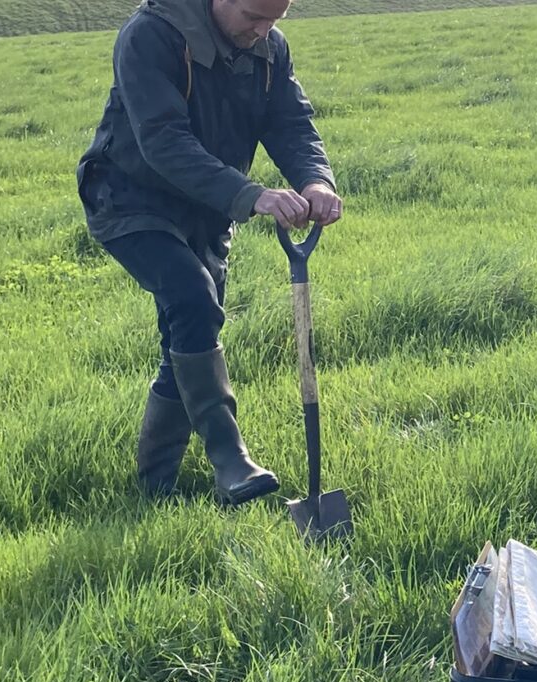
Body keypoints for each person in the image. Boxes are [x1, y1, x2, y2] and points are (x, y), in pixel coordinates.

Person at [76, 0, 343, 504]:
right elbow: (164, 142)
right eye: (252, 17)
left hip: (205, 210)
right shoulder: (152, 36)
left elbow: (291, 123)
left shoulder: (268, 50)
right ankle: (230, 457)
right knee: (193, 298)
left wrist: (315, 180)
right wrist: (251, 196)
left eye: (273, 22)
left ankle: (154, 490)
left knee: (191, 332)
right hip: (130, 200)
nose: (262, 31)